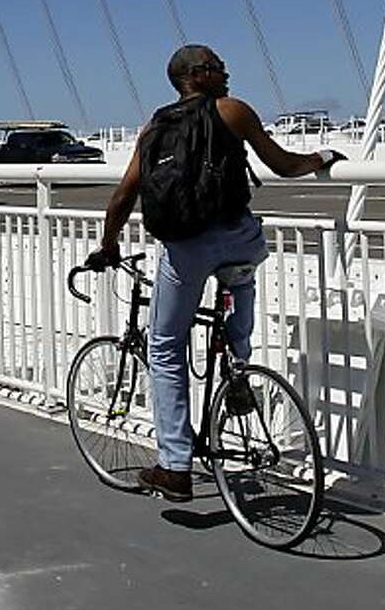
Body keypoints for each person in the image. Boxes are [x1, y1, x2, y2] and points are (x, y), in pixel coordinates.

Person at [85, 44, 344, 502]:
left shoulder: (153, 128)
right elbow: (284, 165)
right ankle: (237, 368)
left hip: (186, 248)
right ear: (195, 75)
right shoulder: (232, 111)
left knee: (165, 348)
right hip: (241, 239)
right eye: (216, 67)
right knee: (241, 277)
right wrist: (321, 157)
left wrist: (109, 245)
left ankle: (174, 467)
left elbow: (123, 196)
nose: (225, 72)